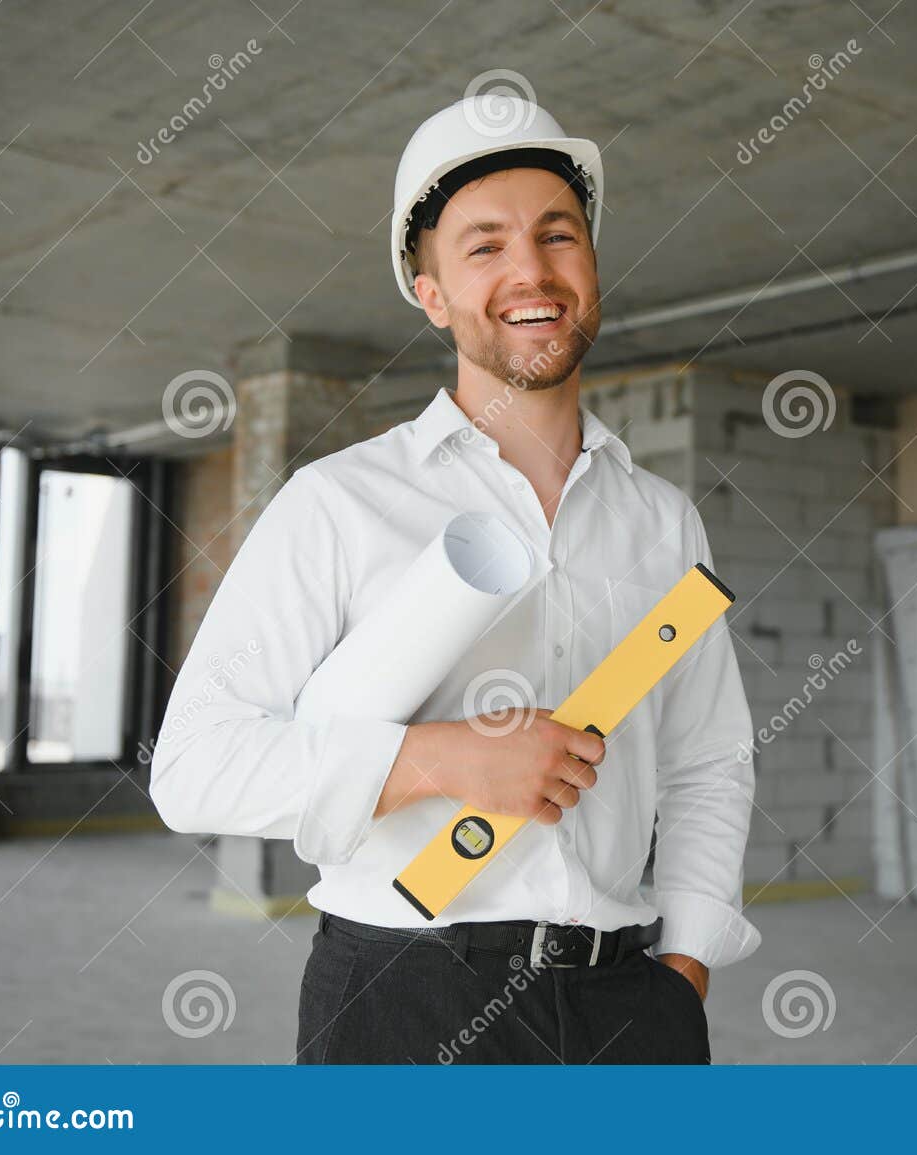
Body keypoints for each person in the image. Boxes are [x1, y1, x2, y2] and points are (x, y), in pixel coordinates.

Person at [149, 90, 761, 1064]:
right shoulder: (339, 503)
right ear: (430, 295)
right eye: (484, 246)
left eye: (558, 235)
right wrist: (436, 761)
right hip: (402, 999)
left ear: (591, 263)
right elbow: (194, 770)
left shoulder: (661, 521)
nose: (532, 270)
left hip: (626, 1002)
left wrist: (683, 966)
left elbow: (706, 762)